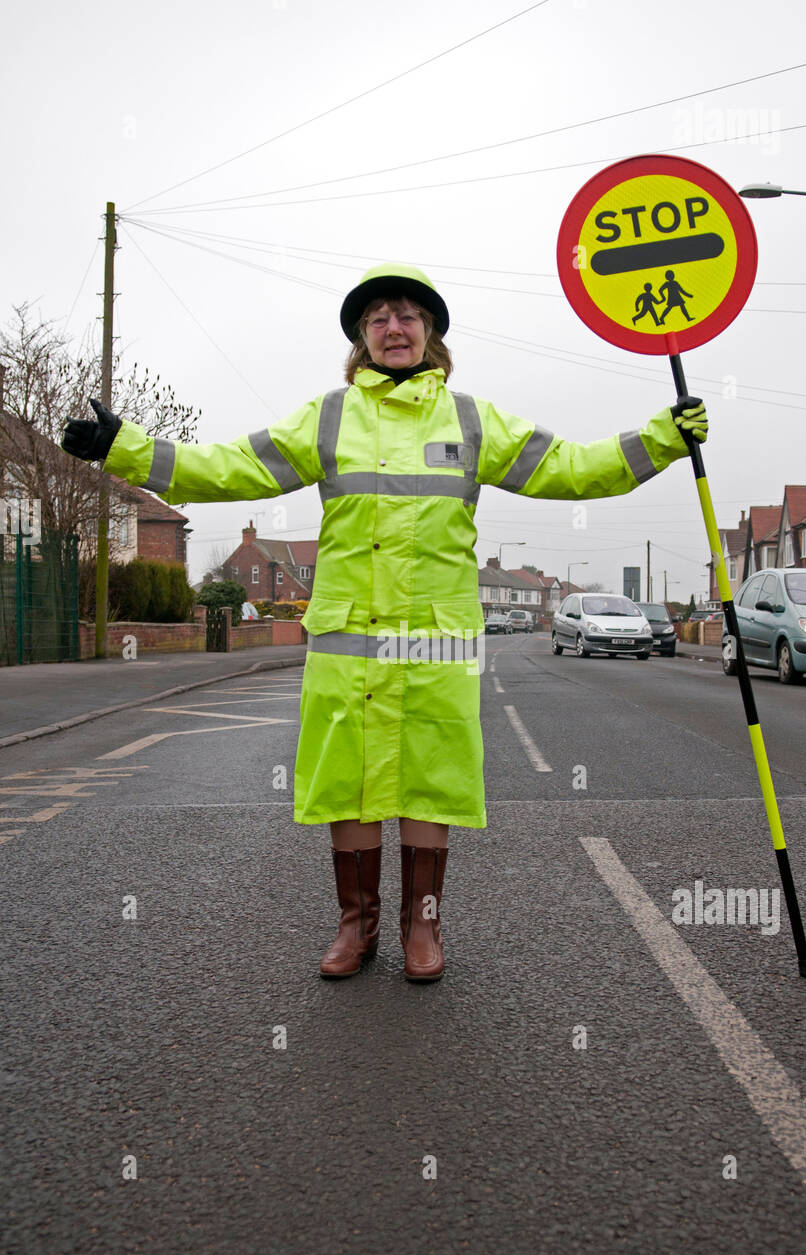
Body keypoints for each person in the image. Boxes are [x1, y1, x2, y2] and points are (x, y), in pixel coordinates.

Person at [62, 263, 708, 983]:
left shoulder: (471, 420)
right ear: (360, 339)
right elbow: (230, 468)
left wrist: (661, 440)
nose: (393, 328)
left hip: (435, 643)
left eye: (406, 316)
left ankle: (421, 930)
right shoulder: (329, 417)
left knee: (431, 783)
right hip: (348, 644)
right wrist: (124, 447)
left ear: (429, 333)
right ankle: (355, 926)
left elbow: (572, 469)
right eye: (378, 319)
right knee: (351, 784)